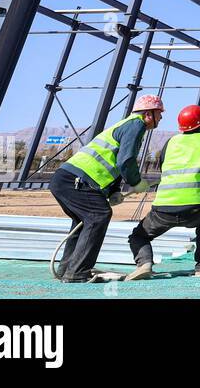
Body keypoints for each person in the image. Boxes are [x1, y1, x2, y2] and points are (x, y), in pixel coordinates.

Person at [49, 94, 163, 282]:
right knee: (98, 215)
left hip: (66, 179)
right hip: (76, 180)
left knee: (84, 220)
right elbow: (125, 160)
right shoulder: (137, 125)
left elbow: (113, 162)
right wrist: (135, 181)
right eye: (159, 114)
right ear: (148, 114)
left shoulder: (126, 125)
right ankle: (77, 273)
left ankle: (67, 268)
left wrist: (113, 191)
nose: (160, 118)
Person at [125, 104, 200, 279]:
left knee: (138, 236)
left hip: (163, 209)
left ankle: (144, 263)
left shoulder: (171, 142)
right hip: (196, 208)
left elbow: (165, 163)